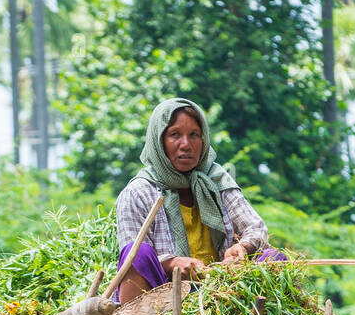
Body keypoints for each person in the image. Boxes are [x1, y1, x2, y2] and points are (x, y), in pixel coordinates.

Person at [114, 98, 280, 304]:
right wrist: (172, 264)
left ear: (204, 140)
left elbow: (256, 228)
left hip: (224, 291)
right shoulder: (138, 192)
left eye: (194, 135)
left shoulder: (216, 180)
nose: (186, 145)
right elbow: (134, 260)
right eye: (175, 135)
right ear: (159, 141)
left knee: (275, 258)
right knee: (136, 252)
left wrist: (242, 248)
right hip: (163, 296)